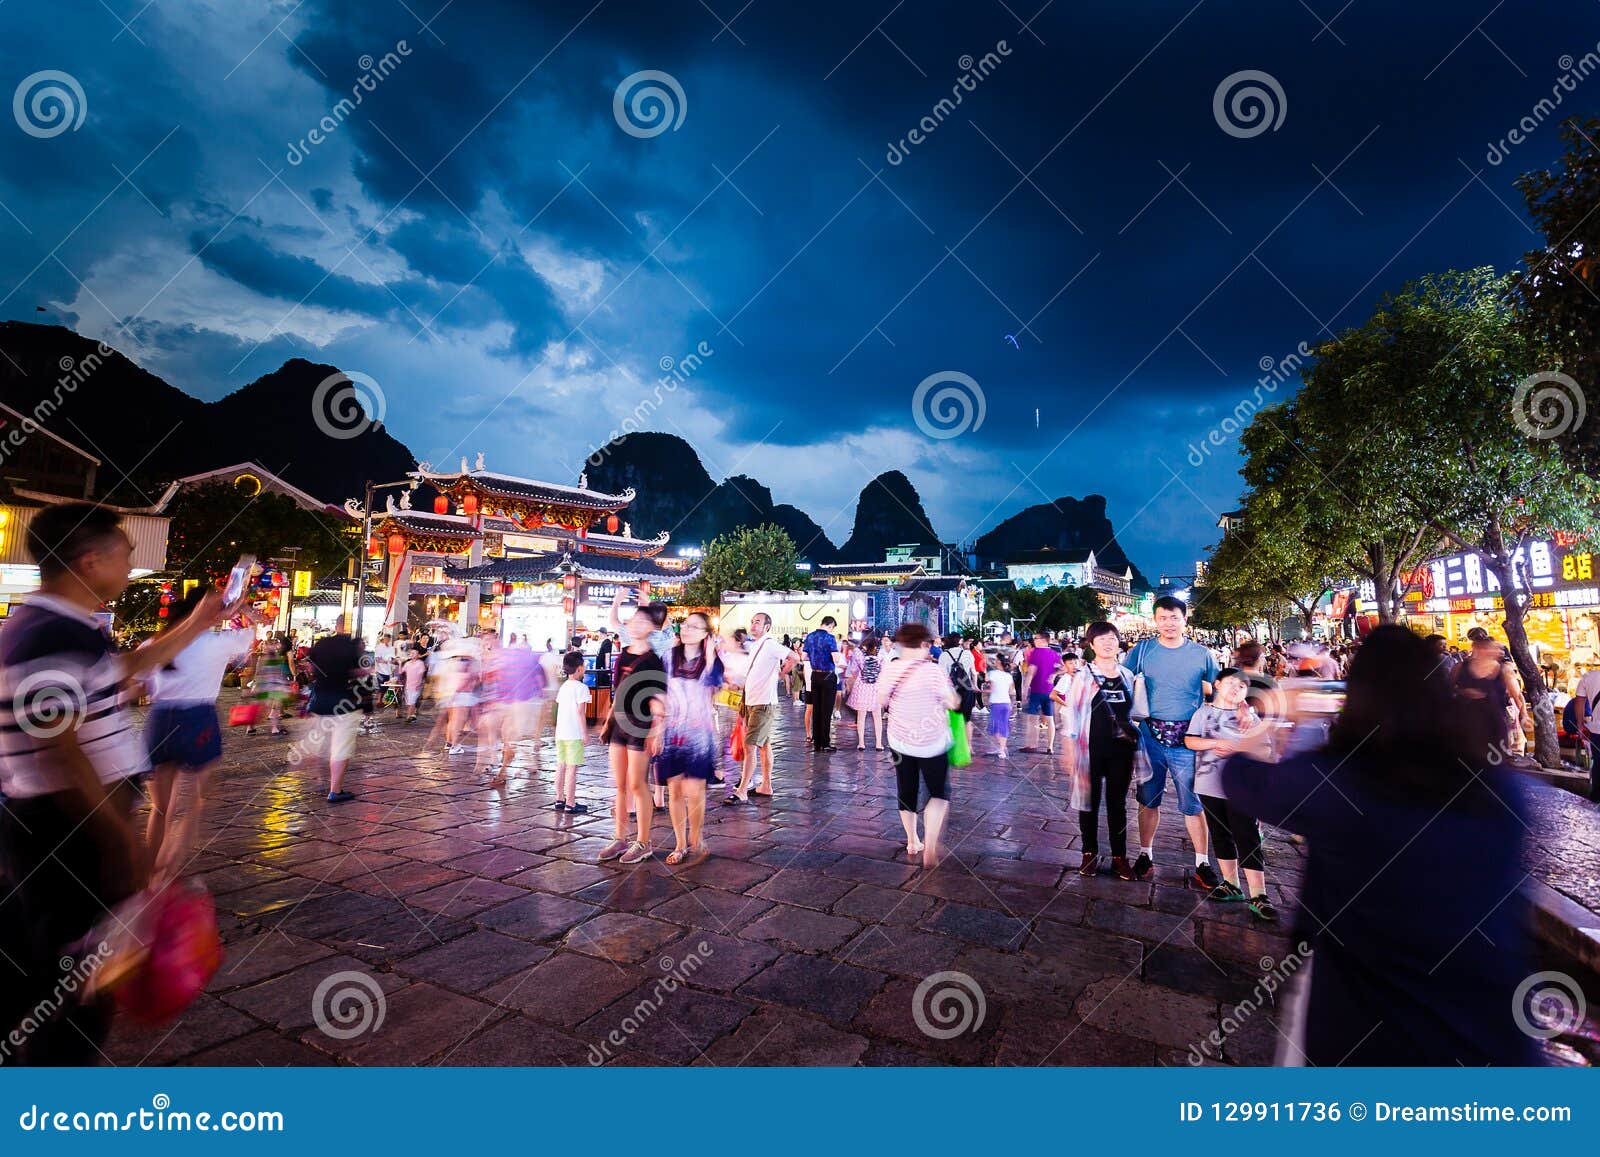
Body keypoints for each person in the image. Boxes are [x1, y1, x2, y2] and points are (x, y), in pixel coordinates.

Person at [1222, 625, 1537, 1065]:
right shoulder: (1498, 788)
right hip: (1495, 1035)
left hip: (1363, 1031)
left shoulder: (1340, 783)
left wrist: (1279, 716)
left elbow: (1239, 777)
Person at [0, 504, 225, 1064]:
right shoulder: (49, 634)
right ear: (89, 559)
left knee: (65, 966)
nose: (130, 565)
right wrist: (119, 838)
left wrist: (198, 622)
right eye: (124, 555)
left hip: (69, 823)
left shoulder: (70, 628)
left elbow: (128, 670)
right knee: (78, 985)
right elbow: (60, 749)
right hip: (63, 827)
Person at [141, 592, 259, 880]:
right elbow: (254, 632)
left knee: (159, 807)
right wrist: (241, 607)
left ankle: (148, 872)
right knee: (192, 804)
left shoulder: (154, 643)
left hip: (159, 720)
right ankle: (167, 875)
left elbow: (138, 685)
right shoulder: (215, 643)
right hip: (197, 718)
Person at [1127, 596, 1219, 885]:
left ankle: (1202, 863)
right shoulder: (1141, 651)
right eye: (1163, 618)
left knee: (1193, 804)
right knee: (1147, 799)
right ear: (1155, 620)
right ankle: (1145, 854)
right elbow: (1122, 681)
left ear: (1184, 619)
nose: (1168, 623)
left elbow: (1219, 690)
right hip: (1149, 736)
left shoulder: (1202, 654)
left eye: (1174, 617)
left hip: (1188, 740)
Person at [1185, 669, 1275, 922]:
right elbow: (1190, 741)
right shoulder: (1203, 713)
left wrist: (1240, 750)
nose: (1236, 689)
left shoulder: (1250, 717)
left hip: (1241, 787)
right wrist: (1215, 744)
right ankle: (1231, 883)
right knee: (1220, 834)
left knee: (1246, 835)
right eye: (1231, 684)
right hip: (1208, 784)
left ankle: (1259, 893)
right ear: (1217, 685)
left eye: (1242, 687)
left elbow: (1265, 749)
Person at [1058, 622, 1139, 880]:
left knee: (1118, 805)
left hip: (1122, 752)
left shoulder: (1128, 676)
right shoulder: (1083, 676)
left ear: (1119, 642)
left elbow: (1137, 714)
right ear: (1091, 645)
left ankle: (1119, 858)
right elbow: (1070, 713)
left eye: (1112, 638)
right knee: (1088, 803)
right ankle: (1089, 854)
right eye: (1101, 639)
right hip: (1090, 749)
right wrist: (1069, 750)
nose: (1107, 643)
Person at [876, 622, 959, 868]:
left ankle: (912, 841)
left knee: (907, 789)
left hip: (900, 741)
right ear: (924, 645)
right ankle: (930, 846)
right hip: (933, 742)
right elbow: (952, 702)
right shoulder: (932, 671)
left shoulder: (890, 670)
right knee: (938, 793)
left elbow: (881, 700)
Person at [599, 590, 665, 864]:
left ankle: (643, 841)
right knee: (620, 784)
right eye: (633, 619)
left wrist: (656, 730)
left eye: (642, 620)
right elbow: (619, 690)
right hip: (620, 722)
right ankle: (619, 838)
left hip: (641, 724)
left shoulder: (654, 660)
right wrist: (607, 721)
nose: (636, 624)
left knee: (638, 784)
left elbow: (658, 699)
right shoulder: (622, 655)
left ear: (651, 628)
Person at [656, 612, 722, 864]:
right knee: (674, 790)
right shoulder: (668, 657)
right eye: (685, 625)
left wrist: (709, 657)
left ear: (706, 634)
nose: (686, 630)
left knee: (694, 790)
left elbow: (713, 686)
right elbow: (659, 692)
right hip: (672, 732)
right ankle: (680, 843)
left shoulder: (713, 661)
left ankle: (696, 835)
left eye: (695, 627)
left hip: (698, 735)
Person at [725, 613, 795, 803]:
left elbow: (794, 657)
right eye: (752, 621)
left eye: (758, 622)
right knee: (763, 744)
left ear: (767, 626)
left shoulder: (770, 644)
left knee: (750, 746)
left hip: (763, 703)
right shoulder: (755, 645)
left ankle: (742, 791)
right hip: (750, 700)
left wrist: (782, 673)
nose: (753, 625)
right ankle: (766, 785)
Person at [303, 615, 365, 802]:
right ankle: (335, 790)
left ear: (335, 625)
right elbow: (358, 671)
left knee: (319, 740)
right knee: (340, 747)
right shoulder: (352, 646)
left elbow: (310, 668)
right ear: (349, 626)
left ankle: (317, 774)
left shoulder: (321, 644)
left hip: (320, 700)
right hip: (344, 702)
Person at [554, 651, 590, 813]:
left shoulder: (564, 687)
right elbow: (580, 712)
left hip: (560, 733)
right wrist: (585, 733)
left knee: (561, 765)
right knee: (572, 768)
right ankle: (571, 803)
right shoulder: (582, 688)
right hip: (574, 734)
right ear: (579, 669)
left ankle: (559, 799)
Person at [1017, 630, 1062, 753]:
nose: (1034, 640)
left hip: (1036, 690)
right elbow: (1063, 667)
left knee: (1032, 718)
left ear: (1043, 640)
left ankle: (1032, 745)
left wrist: (1024, 690)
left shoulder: (1035, 653)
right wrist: (1054, 675)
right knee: (1049, 719)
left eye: (1036, 638)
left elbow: (1031, 672)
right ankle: (1050, 747)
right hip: (1049, 691)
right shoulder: (1054, 653)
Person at [803, 615, 842, 751]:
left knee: (817, 709)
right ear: (830, 625)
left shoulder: (810, 637)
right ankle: (825, 743)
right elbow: (836, 659)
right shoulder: (830, 638)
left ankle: (817, 742)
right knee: (826, 710)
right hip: (828, 676)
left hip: (815, 675)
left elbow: (804, 656)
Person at [848, 636, 885, 751]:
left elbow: (854, 670)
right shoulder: (880, 652)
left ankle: (861, 743)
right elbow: (884, 670)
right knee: (877, 716)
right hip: (876, 686)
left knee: (861, 716)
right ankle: (879, 744)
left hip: (862, 685)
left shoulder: (858, 652)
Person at [985, 652, 1015, 758]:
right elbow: (1012, 691)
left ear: (998, 662)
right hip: (1006, 703)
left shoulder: (993, 674)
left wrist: (982, 690)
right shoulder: (1008, 676)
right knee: (1003, 726)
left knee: (995, 727)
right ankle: (1001, 748)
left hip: (996, 703)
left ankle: (1002, 748)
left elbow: (991, 688)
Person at [401, 646, 427, 722]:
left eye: (414, 653)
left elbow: (421, 675)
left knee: (411, 702)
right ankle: (412, 716)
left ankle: (408, 717)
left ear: (418, 655)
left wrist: (419, 685)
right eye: (411, 653)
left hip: (416, 686)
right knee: (409, 703)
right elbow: (400, 672)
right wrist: (400, 663)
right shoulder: (407, 663)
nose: (411, 654)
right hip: (408, 685)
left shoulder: (420, 663)